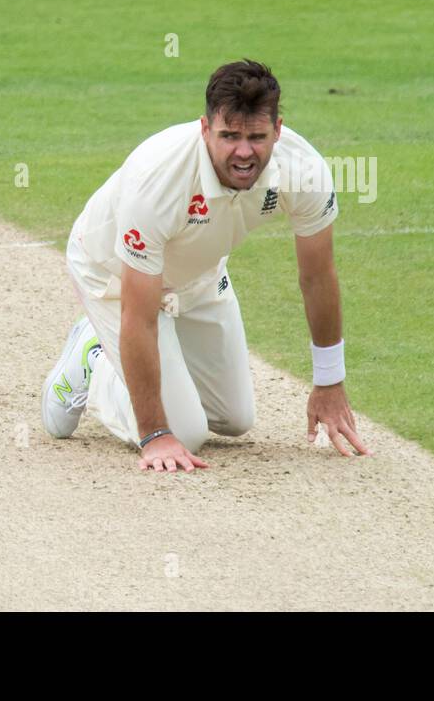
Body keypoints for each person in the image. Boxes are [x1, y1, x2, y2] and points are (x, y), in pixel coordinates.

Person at [41, 59, 369, 472]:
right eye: (229, 136)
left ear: (278, 131)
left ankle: (143, 368)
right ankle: (94, 359)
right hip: (113, 275)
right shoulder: (158, 179)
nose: (244, 152)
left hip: (200, 274)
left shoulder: (303, 170)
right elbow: (138, 315)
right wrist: (156, 436)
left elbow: (317, 276)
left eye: (257, 136)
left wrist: (329, 381)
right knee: (184, 432)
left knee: (234, 420)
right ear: (204, 128)